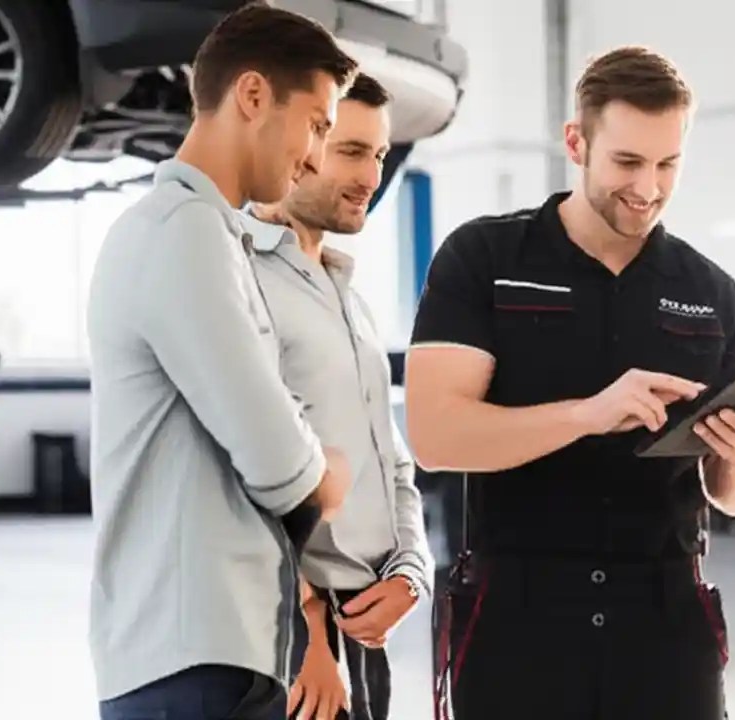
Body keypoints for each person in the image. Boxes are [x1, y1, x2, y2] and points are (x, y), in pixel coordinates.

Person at [405, 45, 735, 719]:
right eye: (627, 162)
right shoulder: (485, 260)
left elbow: (734, 496)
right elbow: (435, 436)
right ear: (576, 142)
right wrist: (588, 414)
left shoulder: (713, 293)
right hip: (517, 618)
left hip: (666, 623)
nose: (648, 187)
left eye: (669, 164)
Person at [86, 5, 360, 719]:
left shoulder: (204, 235)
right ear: (252, 95)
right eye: (319, 125)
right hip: (192, 670)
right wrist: (329, 470)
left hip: (204, 660)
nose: (316, 157)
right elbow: (285, 468)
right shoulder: (185, 235)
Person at [243, 73, 433, 720]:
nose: (372, 177)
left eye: (379, 155)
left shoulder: (348, 296)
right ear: (301, 141)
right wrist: (308, 635)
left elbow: (390, 457)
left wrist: (412, 567)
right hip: (295, 632)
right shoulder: (240, 280)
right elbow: (243, 475)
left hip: (366, 624)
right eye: (351, 151)